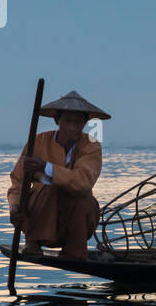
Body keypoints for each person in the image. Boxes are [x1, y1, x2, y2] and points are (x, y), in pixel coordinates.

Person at [7, 90, 109, 259]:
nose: (72, 127)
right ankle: (33, 241)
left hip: (72, 219)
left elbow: (83, 182)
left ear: (85, 123)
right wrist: (14, 208)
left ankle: (74, 252)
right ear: (57, 120)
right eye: (67, 121)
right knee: (49, 188)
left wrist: (46, 167)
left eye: (77, 123)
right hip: (38, 218)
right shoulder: (38, 142)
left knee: (83, 200)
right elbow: (17, 182)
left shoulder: (91, 146)